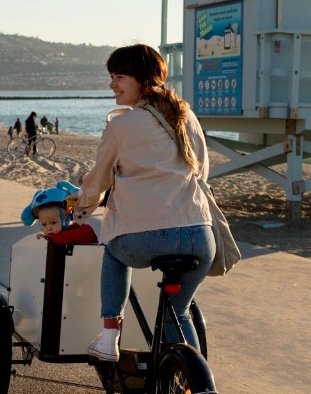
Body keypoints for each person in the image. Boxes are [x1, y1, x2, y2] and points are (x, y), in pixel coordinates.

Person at [76, 44, 213, 362]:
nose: (112, 85)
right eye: (112, 77)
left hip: (145, 239)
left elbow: (98, 182)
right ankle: (194, 386)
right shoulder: (185, 115)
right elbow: (201, 171)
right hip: (200, 239)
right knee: (177, 315)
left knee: (111, 249)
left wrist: (82, 207)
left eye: (119, 76)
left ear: (143, 80)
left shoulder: (120, 125)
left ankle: (109, 337)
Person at [20, 181, 98, 246]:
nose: (48, 228)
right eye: (44, 224)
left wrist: (47, 240)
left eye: (53, 222)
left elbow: (63, 239)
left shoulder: (81, 231)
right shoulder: (57, 236)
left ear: (67, 217)